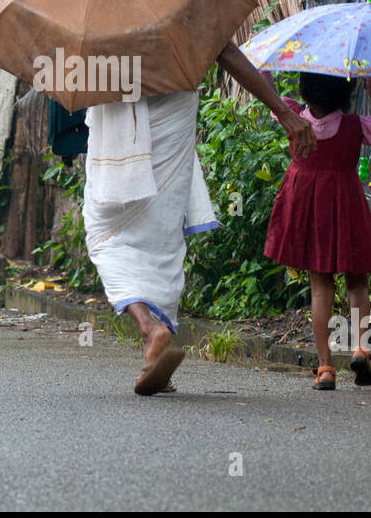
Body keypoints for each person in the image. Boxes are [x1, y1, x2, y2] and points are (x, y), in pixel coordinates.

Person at [83, 42, 316, 395]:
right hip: (176, 102)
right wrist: (283, 113)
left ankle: (150, 330)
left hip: (120, 101)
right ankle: (154, 348)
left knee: (103, 231)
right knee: (162, 227)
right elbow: (226, 51)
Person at [263, 72, 371, 390]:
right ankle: (360, 348)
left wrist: (265, 68)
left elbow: (268, 94)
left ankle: (325, 368)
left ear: (305, 93)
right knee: (357, 284)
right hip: (347, 205)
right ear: (346, 94)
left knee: (320, 289)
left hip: (310, 210)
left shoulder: (292, 116)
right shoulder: (355, 125)